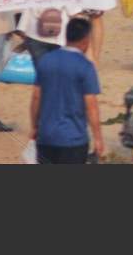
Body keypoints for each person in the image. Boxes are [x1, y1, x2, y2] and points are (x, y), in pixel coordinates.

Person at [29, 16, 104, 165]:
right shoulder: (85, 67)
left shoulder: (46, 60)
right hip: (73, 139)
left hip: (46, 137)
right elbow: (91, 106)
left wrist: (35, 126)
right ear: (86, 40)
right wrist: (98, 138)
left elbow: (36, 97)